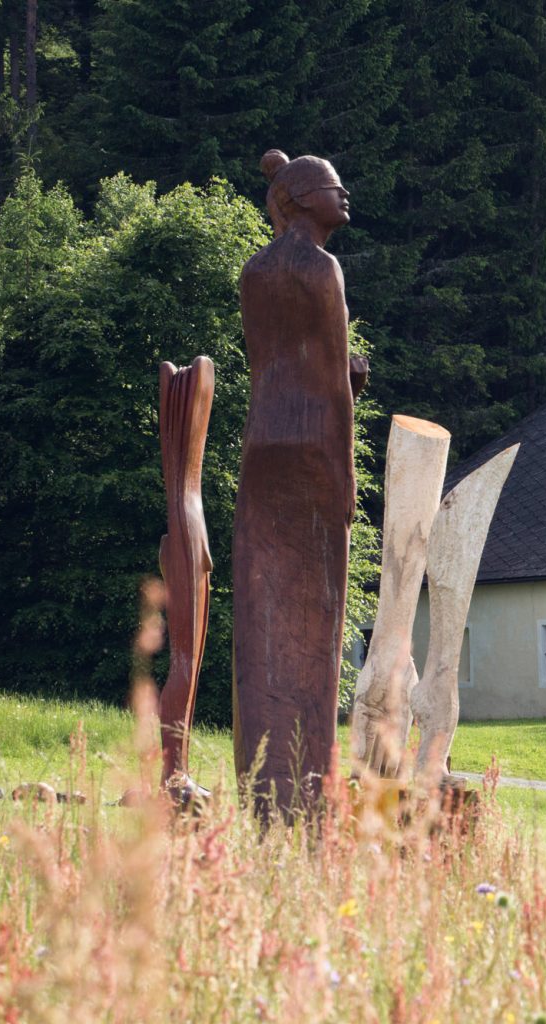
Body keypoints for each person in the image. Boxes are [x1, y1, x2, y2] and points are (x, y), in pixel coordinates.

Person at [233, 149, 366, 820]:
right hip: (315, 446)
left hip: (263, 444)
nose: (346, 199)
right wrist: (345, 480)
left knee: (262, 611)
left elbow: (273, 364)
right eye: (334, 190)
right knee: (315, 617)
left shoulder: (254, 271)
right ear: (303, 197)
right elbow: (331, 388)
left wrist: (342, 373)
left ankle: (262, 794)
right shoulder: (323, 268)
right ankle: (305, 798)